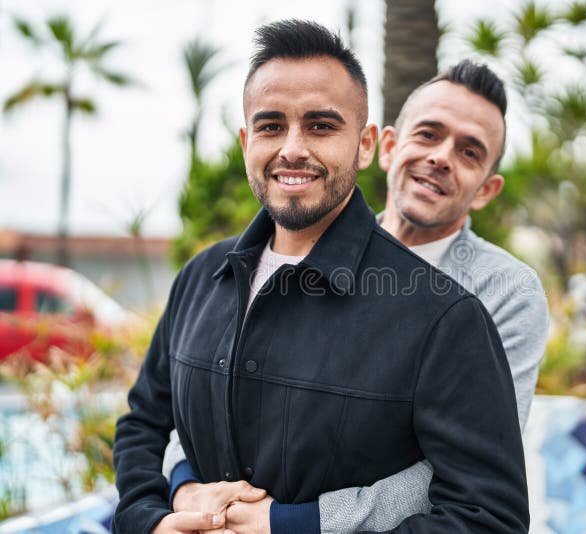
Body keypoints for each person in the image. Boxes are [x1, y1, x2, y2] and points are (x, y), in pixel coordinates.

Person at [112, 20, 529, 534]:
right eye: (270, 126)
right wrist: (152, 520)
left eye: (320, 126)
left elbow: (486, 517)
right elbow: (143, 425)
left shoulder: (446, 316)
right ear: (246, 142)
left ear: (367, 145)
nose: (291, 148)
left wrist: (288, 526)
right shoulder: (201, 277)